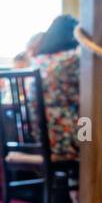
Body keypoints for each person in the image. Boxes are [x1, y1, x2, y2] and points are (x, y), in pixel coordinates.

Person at [31, 15, 80, 161]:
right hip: (66, 139)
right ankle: (92, 180)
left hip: (40, 135)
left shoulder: (39, 60)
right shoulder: (73, 59)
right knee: (90, 120)